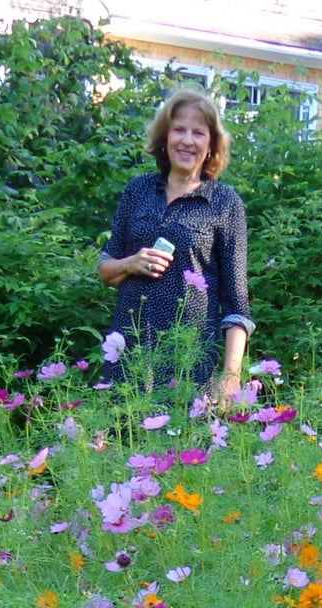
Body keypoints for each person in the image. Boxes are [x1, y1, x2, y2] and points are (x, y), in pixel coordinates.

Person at [98, 88, 254, 400]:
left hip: (190, 357)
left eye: (198, 133)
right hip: (131, 353)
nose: (187, 140)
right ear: (164, 138)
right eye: (179, 129)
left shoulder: (224, 202)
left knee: (184, 448)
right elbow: (106, 270)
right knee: (123, 442)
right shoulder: (138, 190)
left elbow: (237, 304)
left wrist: (230, 375)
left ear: (211, 145)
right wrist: (131, 262)